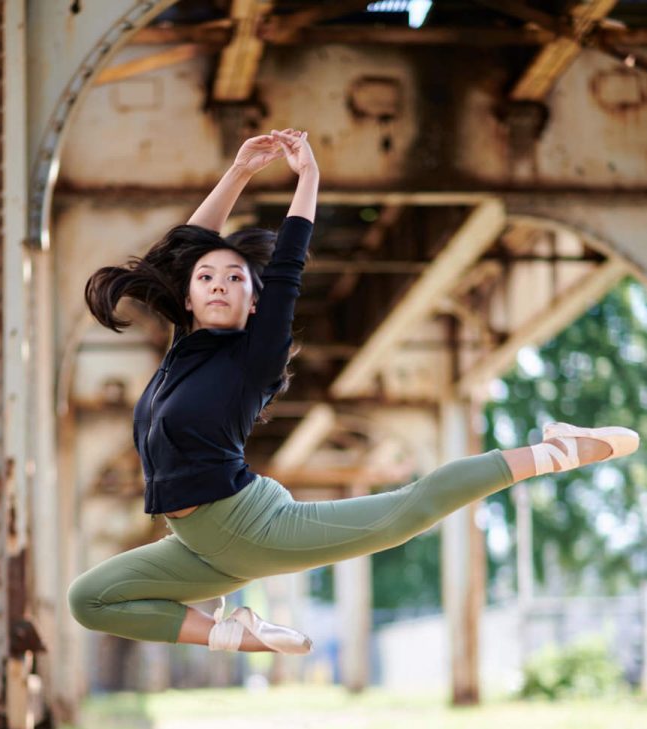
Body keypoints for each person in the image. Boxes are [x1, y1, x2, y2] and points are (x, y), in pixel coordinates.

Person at [68, 128, 640, 656]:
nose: (219, 284)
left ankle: (556, 452)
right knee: (88, 600)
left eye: (236, 279)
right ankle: (229, 631)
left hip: (247, 527)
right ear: (188, 298)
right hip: (197, 544)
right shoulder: (182, 350)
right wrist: (239, 171)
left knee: (405, 510)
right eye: (207, 278)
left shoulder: (252, 358)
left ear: (255, 303)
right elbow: (185, 249)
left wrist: (307, 180)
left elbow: (289, 267)